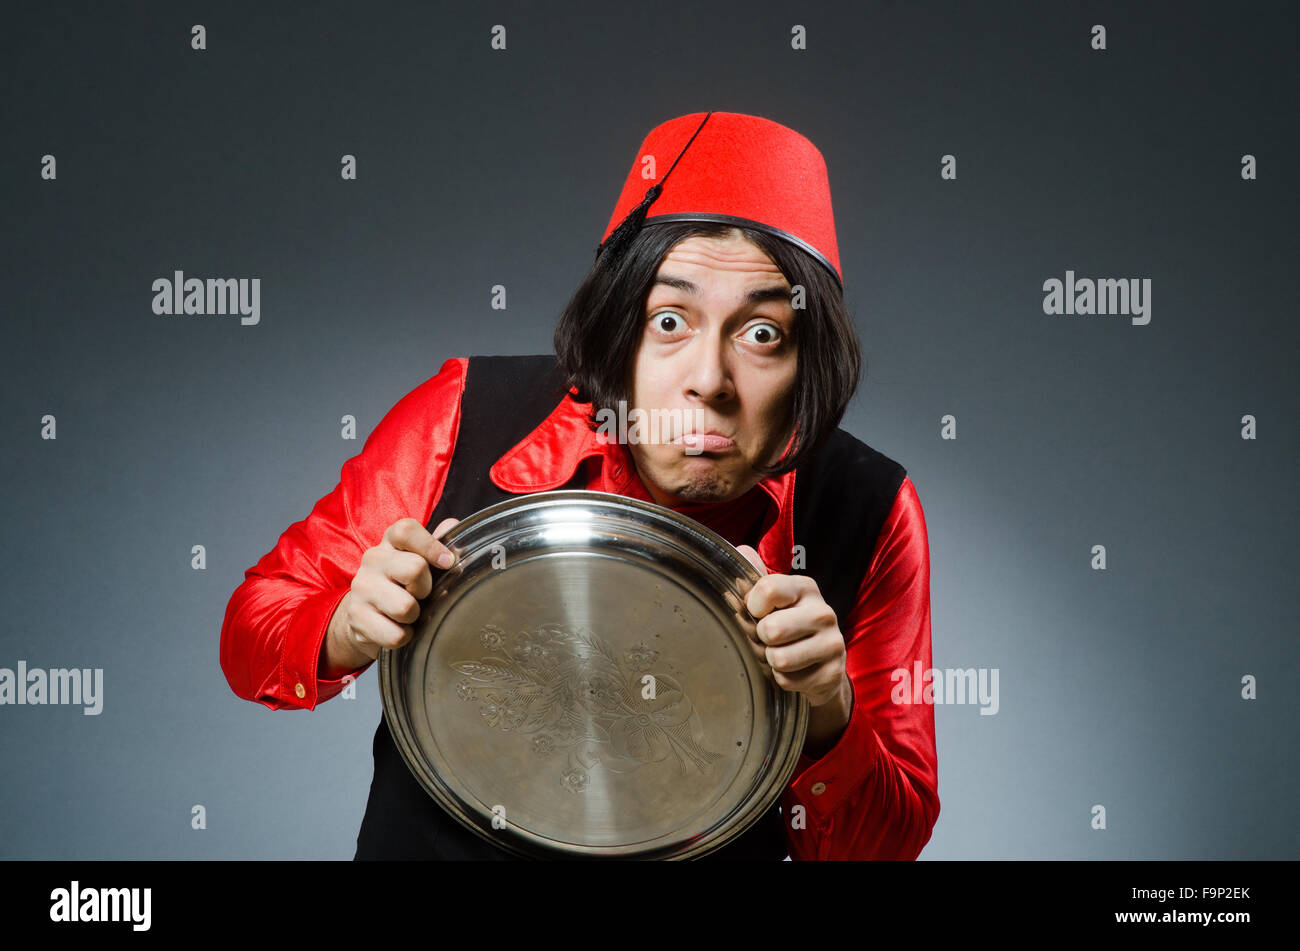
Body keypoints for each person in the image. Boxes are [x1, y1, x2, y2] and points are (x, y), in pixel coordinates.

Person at [220, 111, 939, 860]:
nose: (709, 381)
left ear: (808, 362)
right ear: (616, 329)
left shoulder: (869, 508)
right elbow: (249, 629)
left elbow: (885, 845)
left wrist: (827, 710)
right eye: (669, 320)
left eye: (763, 334)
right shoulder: (464, 415)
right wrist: (343, 627)